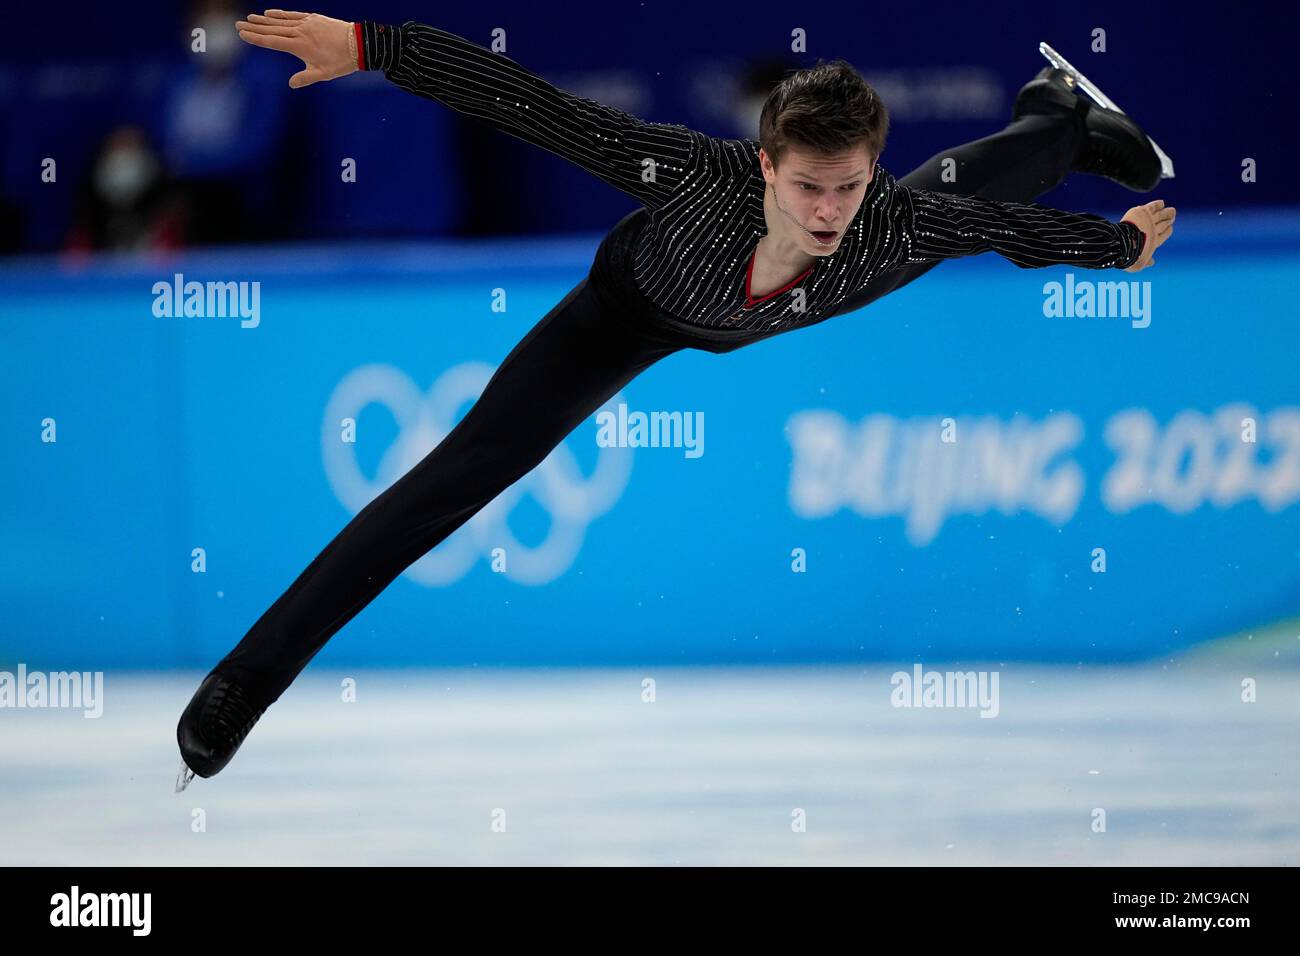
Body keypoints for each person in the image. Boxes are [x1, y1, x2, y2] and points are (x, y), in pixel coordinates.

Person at [176, 9, 1176, 790]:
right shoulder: (694, 179)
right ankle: (241, 686)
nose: (828, 211)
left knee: (942, 214)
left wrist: (1116, 247)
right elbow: (532, 105)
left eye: (848, 187)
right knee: (455, 477)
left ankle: (1057, 117)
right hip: (626, 311)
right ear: (764, 166)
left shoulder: (879, 223)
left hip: (788, 303)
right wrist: (374, 44)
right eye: (807, 190)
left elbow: (998, 226)